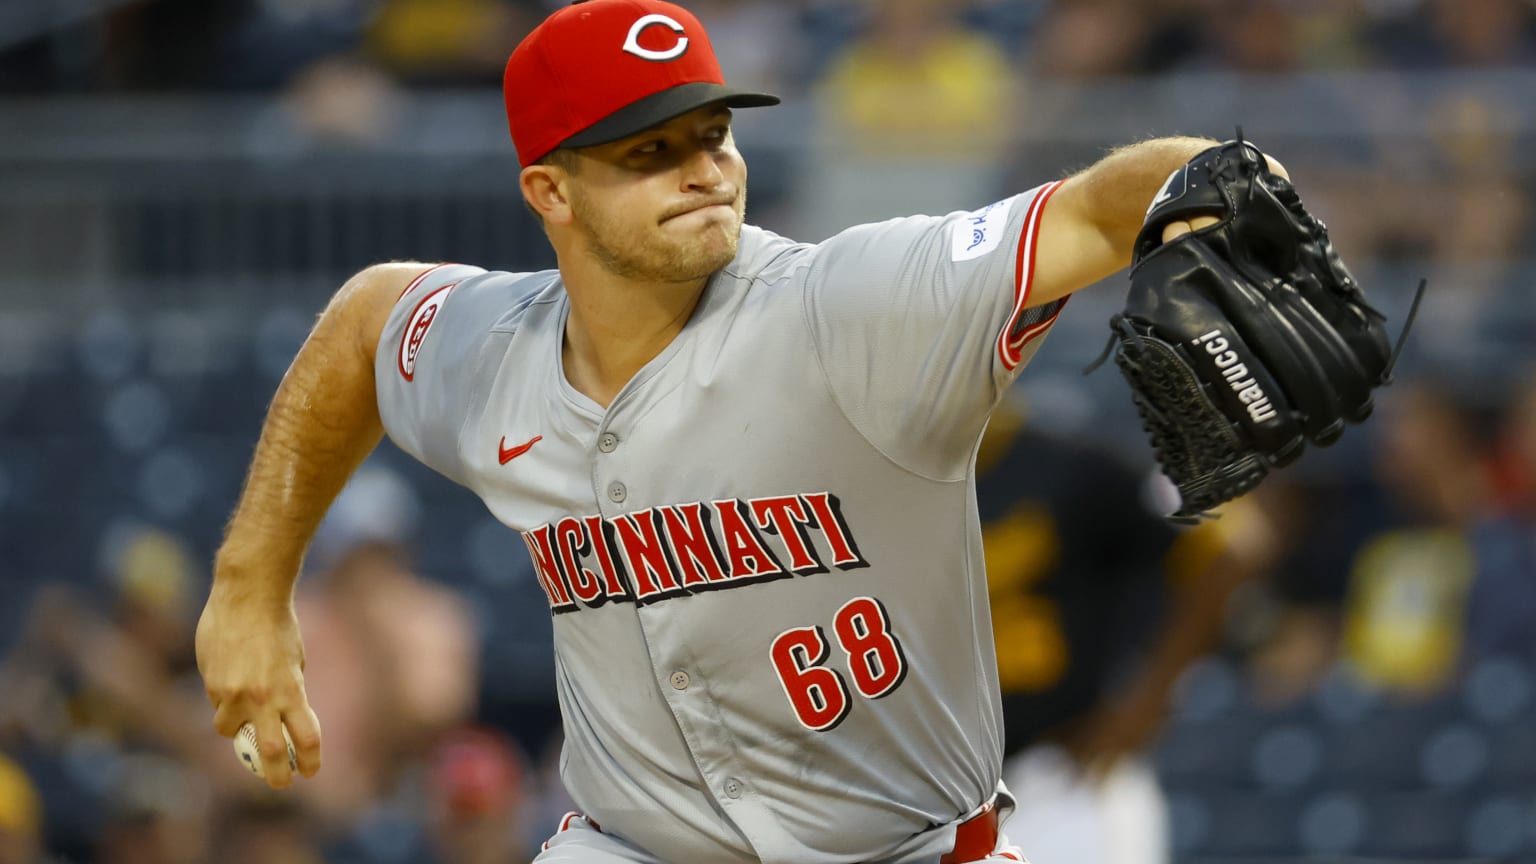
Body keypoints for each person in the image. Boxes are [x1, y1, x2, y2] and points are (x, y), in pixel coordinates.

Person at [195, 0, 1289, 860]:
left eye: (712, 133)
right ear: (551, 190)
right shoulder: (493, 356)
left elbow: (1098, 207)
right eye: (647, 149)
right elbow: (366, 320)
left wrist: (1227, 188)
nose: (703, 169)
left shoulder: (849, 306)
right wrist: (251, 580)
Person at [974, 403, 1273, 864]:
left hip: (1064, 779)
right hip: (948, 793)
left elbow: (1229, 544)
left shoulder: (1065, 463)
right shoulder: (896, 491)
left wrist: (1147, 701)